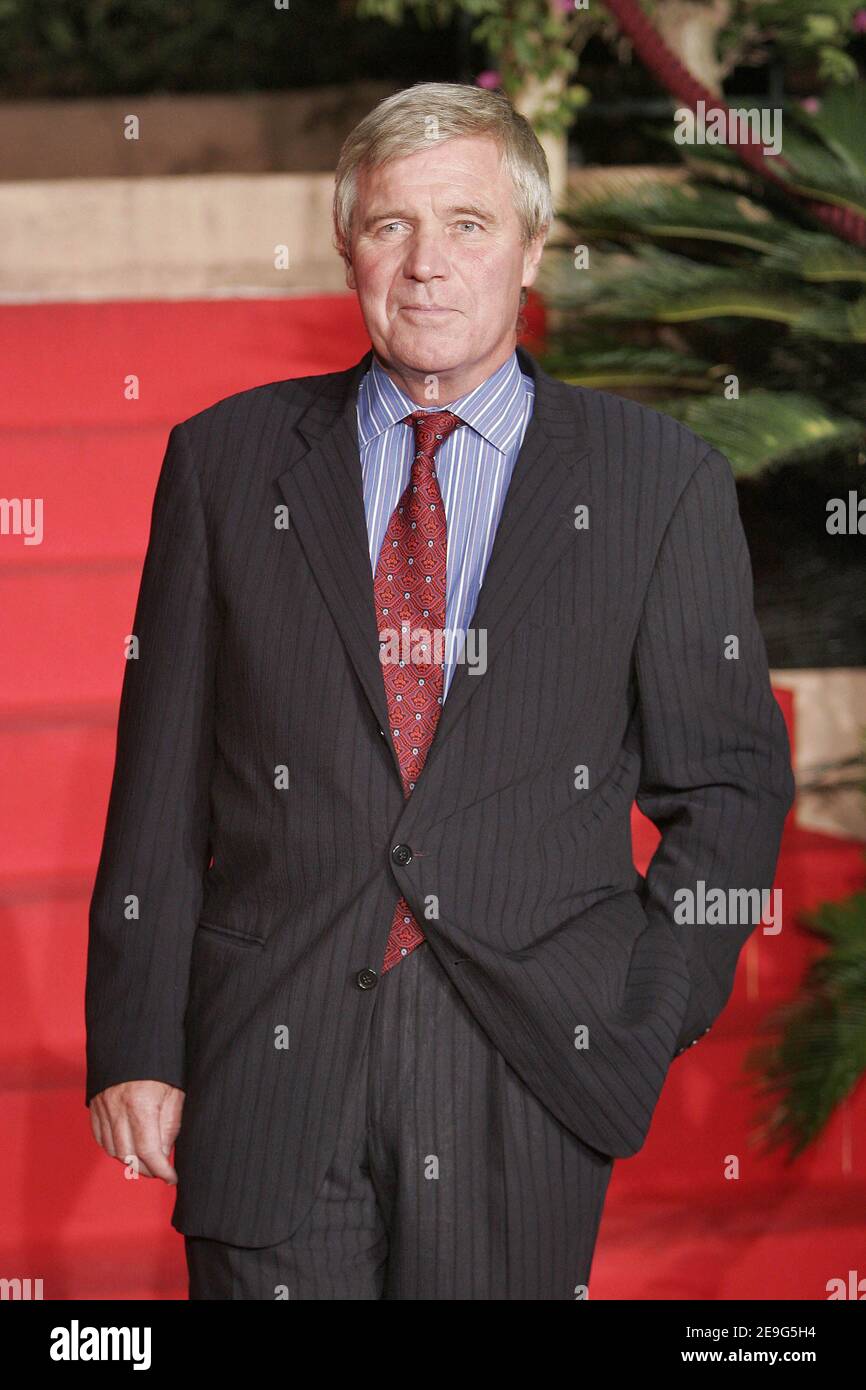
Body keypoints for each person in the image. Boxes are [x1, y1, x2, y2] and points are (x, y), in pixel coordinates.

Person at [85, 81, 795, 1300]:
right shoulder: (225, 458)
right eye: (391, 225)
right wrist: (139, 1040)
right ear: (345, 245)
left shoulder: (654, 480)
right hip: (273, 1042)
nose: (426, 264)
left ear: (528, 247)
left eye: (466, 223)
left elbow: (726, 783)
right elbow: (159, 781)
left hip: (527, 1054)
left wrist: (646, 1002)